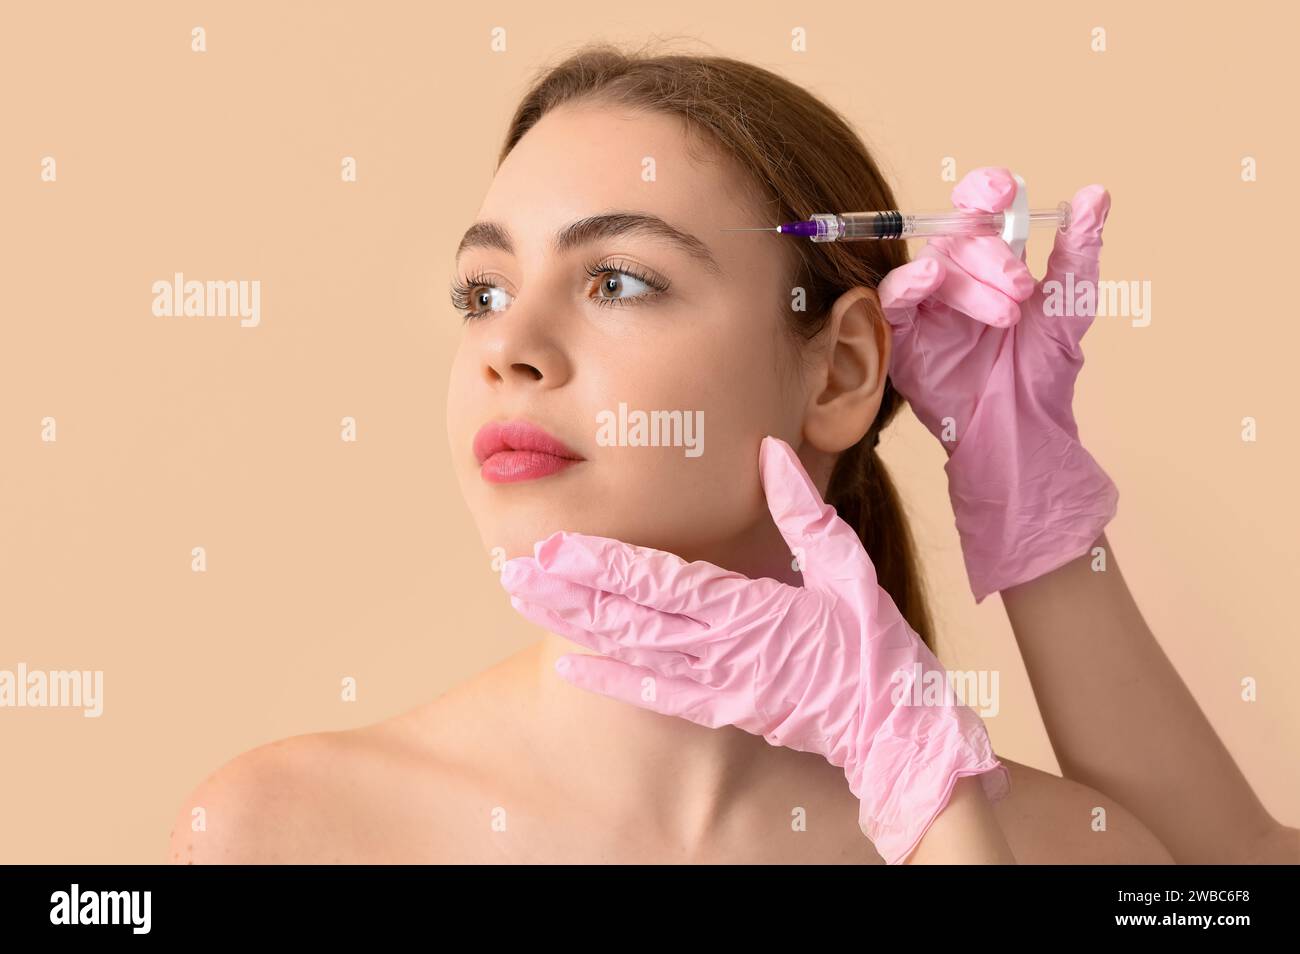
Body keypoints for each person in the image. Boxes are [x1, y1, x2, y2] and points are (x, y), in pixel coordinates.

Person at [168, 42, 1289, 864]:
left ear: (841, 371)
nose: (507, 347)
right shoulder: (284, 833)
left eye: (617, 280)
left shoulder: (1044, 849)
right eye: (482, 291)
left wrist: (1030, 507)